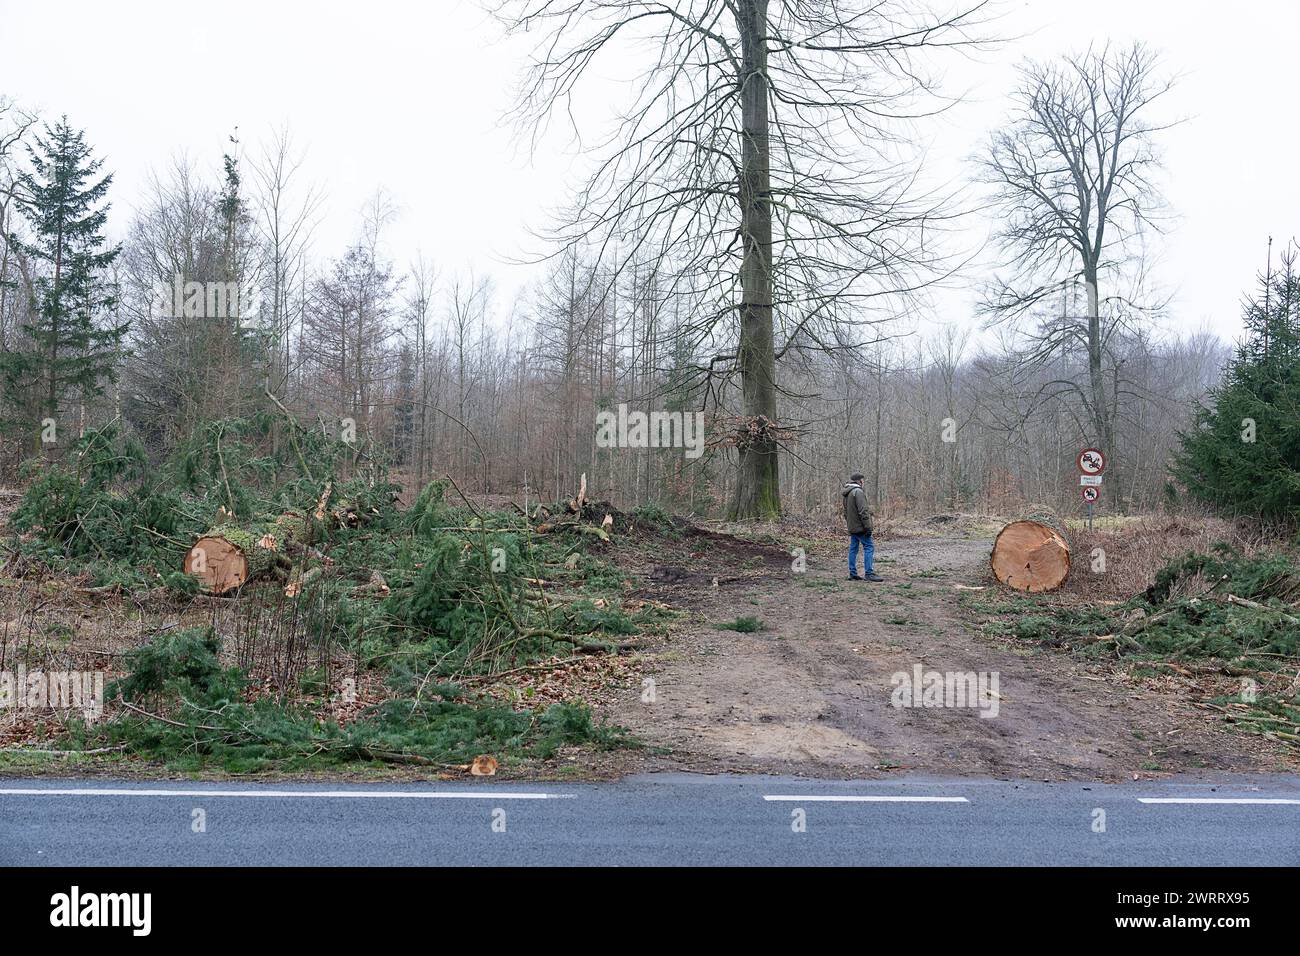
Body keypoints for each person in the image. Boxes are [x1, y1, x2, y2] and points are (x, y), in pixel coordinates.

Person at [842, 473, 883, 581]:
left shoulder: (847, 492)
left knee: (853, 548)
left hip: (852, 526)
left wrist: (850, 524)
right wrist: (868, 527)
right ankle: (869, 573)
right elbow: (863, 511)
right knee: (869, 547)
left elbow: (845, 513)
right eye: (863, 480)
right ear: (860, 481)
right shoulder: (858, 492)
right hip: (860, 527)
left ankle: (852, 573)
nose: (863, 482)